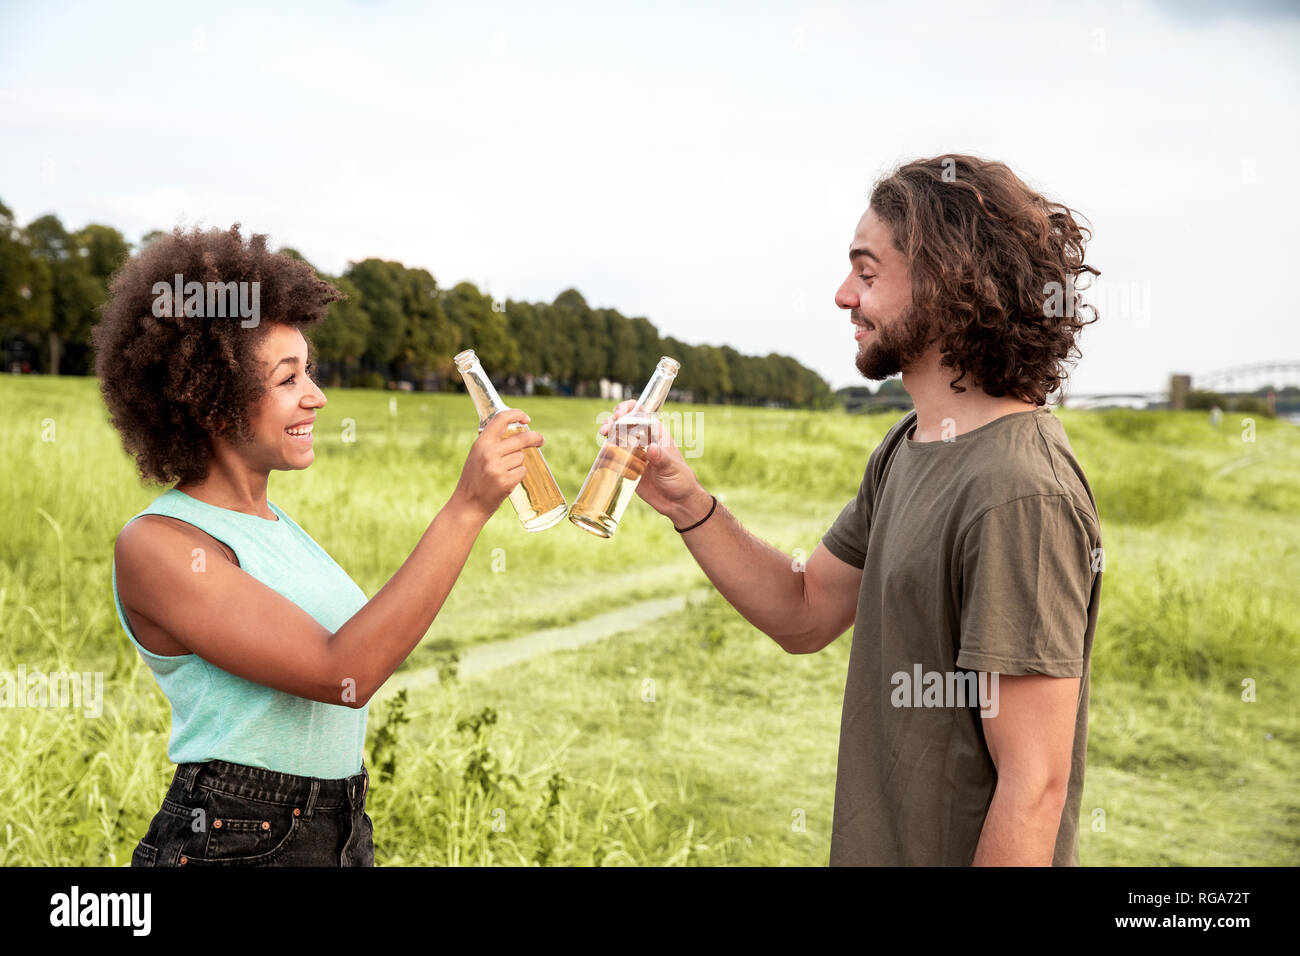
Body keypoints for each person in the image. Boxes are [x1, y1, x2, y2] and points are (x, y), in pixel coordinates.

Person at [602, 154, 1103, 866]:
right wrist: (685, 499)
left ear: (948, 282)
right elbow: (804, 612)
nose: (844, 295)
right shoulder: (907, 446)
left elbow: (1035, 788)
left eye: (867, 274)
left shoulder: (1019, 491)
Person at [94, 225, 544, 866]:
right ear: (212, 400)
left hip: (336, 825)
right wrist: (467, 508)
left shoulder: (279, 528)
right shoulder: (159, 545)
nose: (317, 396)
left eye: (311, 370)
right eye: (287, 379)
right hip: (237, 834)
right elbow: (345, 674)